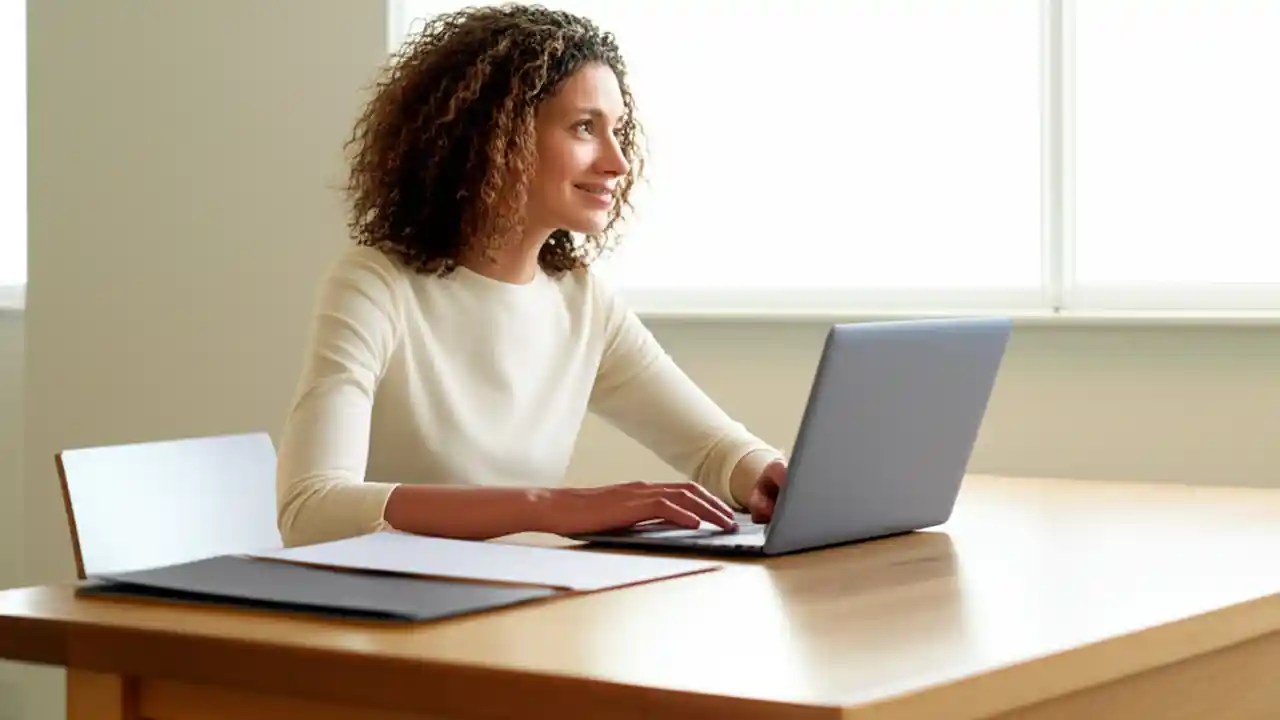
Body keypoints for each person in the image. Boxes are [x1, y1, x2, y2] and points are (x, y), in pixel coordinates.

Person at [275, 4, 787, 548]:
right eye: (585, 128)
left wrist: (772, 476)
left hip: (520, 608)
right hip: (392, 616)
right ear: (495, 137)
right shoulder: (375, 285)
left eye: (619, 130)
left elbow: (714, 450)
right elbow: (311, 509)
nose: (617, 161)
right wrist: (553, 507)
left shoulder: (581, 302)